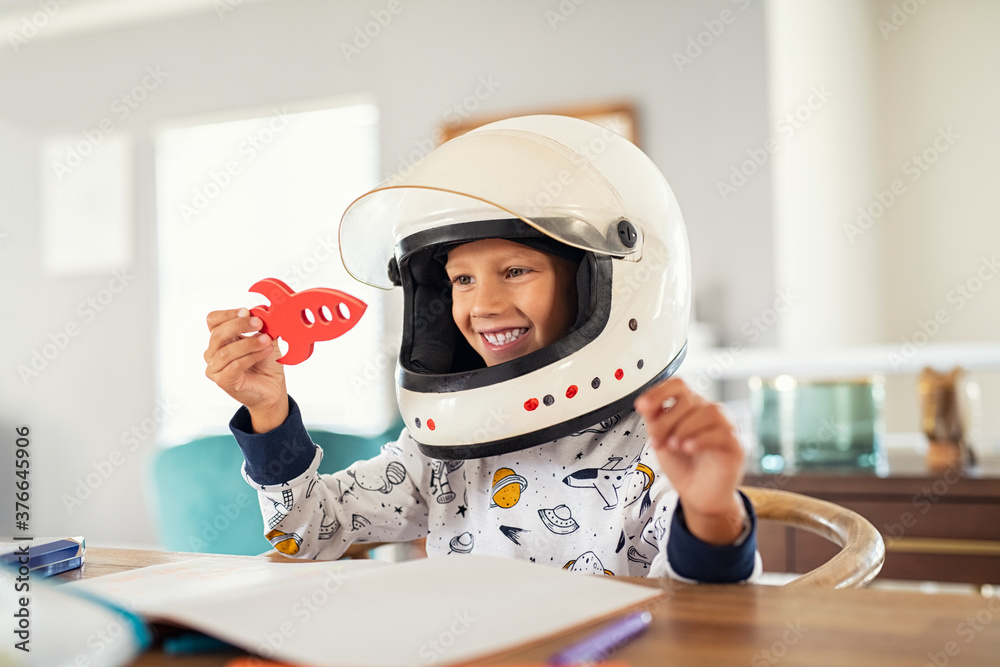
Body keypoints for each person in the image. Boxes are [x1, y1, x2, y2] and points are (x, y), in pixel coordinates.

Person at [204, 115, 759, 582]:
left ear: (605, 283)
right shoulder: (445, 450)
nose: (483, 305)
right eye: (461, 281)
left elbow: (710, 617)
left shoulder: (659, 450)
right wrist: (269, 412)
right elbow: (306, 533)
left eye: (515, 270)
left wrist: (710, 510)